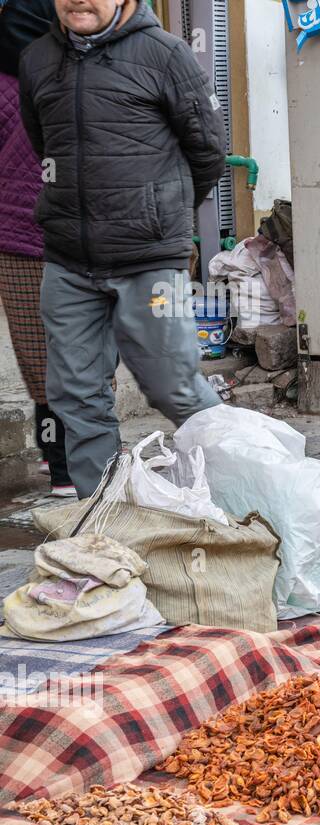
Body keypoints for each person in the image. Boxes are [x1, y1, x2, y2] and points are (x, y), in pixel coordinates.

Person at [18, 0, 225, 498]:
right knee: (75, 395)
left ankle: (241, 490)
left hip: (153, 263)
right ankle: (103, 518)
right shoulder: (37, 60)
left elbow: (209, 151)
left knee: (172, 385)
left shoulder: (167, 54)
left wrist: (158, 213)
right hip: (68, 260)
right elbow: (42, 142)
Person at [0, 0, 70, 496]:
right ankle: (70, 463)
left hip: (17, 236)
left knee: (36, 358)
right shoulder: (75, 79)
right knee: (82, 355)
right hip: (78, 232)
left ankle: (58, 459)